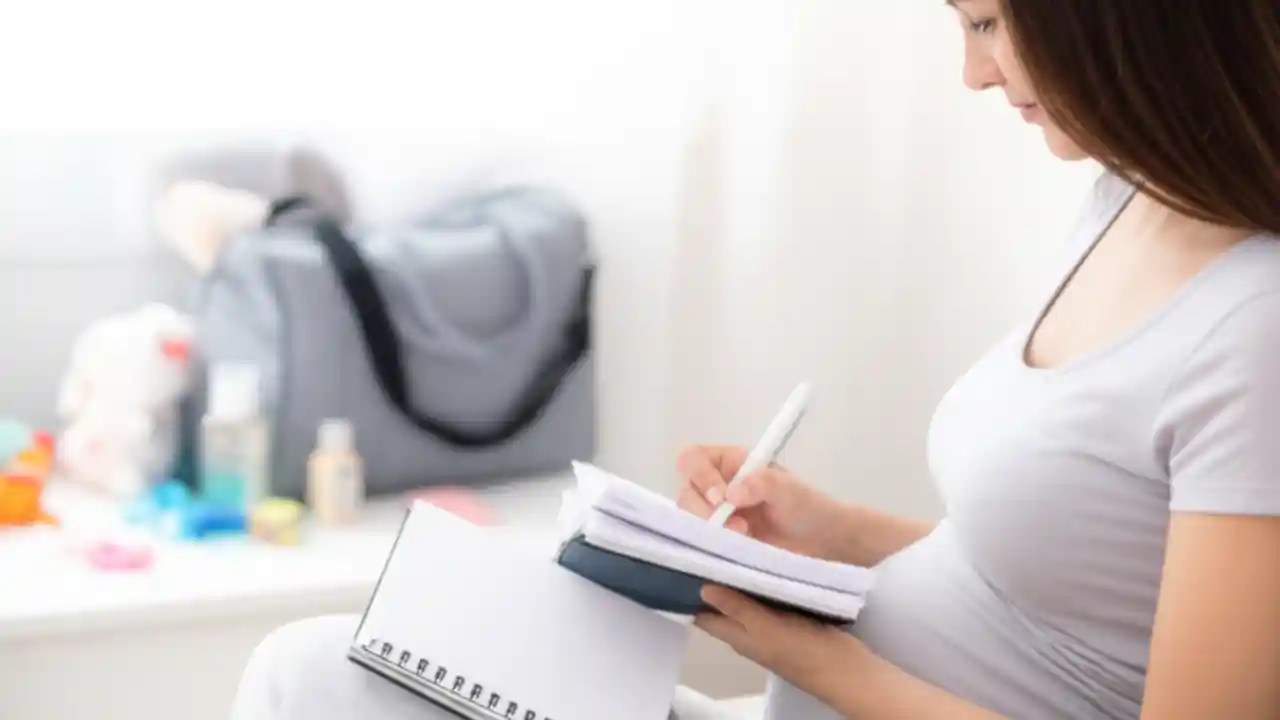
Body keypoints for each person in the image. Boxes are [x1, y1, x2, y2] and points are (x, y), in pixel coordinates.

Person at [232, 0, 1279, 717]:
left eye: (986, 22)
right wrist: (831, 535)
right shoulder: (1123, 202)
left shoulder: (1254, 329)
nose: (970, 71)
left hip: (829, 694)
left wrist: (818, 657)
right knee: (313, 671)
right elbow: (1068, 580)